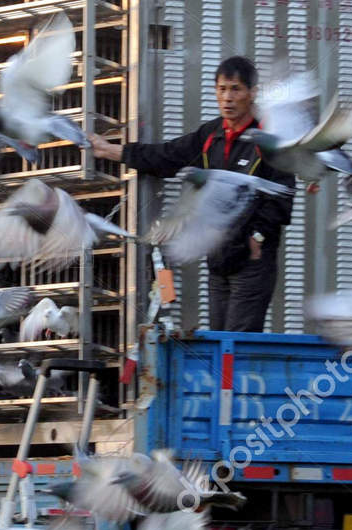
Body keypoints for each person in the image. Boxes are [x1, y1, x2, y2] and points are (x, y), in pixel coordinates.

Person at [90, 55, 294, 332]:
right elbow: (167, 155)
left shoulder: (269, 137)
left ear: (252, 93)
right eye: (222, 89)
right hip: (218, 259)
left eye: (236, 89)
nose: (228, 98)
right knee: (220, 343)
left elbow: (282, 196)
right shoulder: (210, 135)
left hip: (252, 263)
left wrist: (257, 237)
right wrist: (112, 151)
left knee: (237, 343)